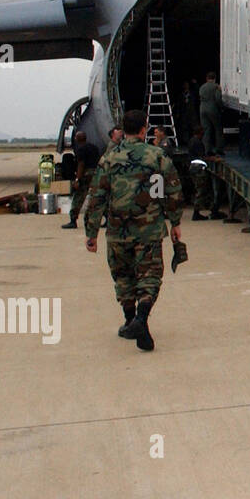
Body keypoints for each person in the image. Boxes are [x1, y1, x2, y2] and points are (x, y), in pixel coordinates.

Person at [84, 109, 183, 352]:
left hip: (118, 231)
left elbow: (97, 196)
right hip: (149, 229)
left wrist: (91, 232)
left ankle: (131, 321)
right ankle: (141, 320)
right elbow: (169, 192)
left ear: (123, 129)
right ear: (143, 129)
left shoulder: (108, 159)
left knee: (123, 277)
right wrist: (175, 222)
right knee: (149, 276)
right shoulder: (157, 157)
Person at [61, 131, 101, 230]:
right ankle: (102, 219)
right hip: (96, 174)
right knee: (97, 196)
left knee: (78, 197)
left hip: (86, 174)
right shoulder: (94, 148)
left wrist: (77, 179)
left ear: (77, 139)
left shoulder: (81, 150)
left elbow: (81, 165)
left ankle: (73, 220)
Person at [186, 126, 224, 220]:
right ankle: (197, 212)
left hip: (193, 168)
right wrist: (214, 159)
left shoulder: (191, 141)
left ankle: (211, 209)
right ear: (200, 133)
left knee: (202, 190)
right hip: (199, 168)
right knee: (201, 190)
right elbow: (202, 157)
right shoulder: (198, 142)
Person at [199, 71, 224, 155]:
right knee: (218, 129)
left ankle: (206, 149)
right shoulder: (216, 87)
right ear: (215, 78)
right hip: (213, 110)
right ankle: (219, 148)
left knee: (206, 130)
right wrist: (221, 107)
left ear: (207, 78)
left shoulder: (202, 87)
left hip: (202, 109)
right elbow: (218, 99)